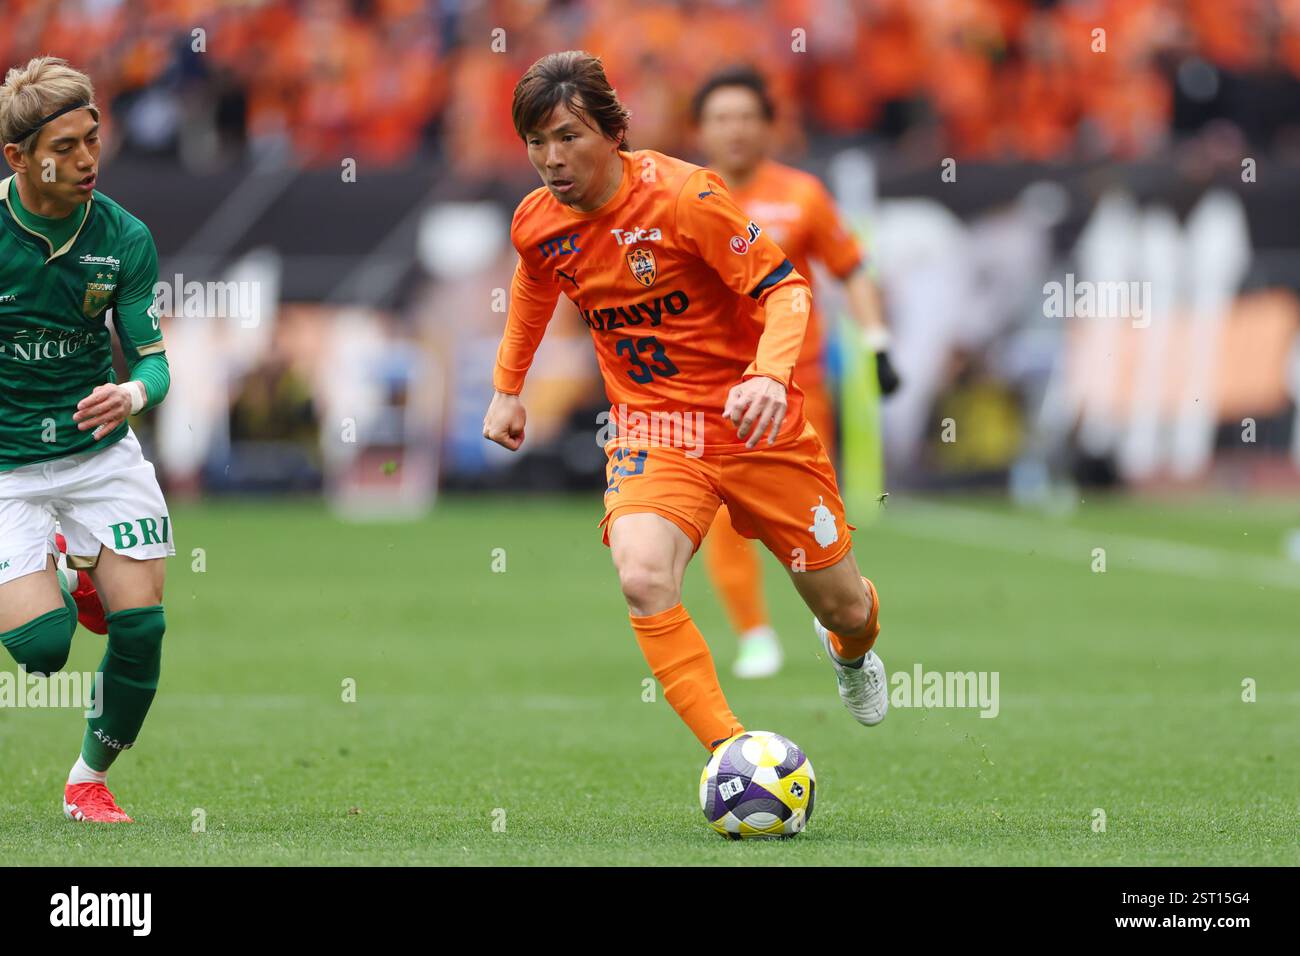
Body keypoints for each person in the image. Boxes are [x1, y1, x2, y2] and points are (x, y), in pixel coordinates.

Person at [483, 51, 890, 755]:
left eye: (568, 137)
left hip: (756, 425)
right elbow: (532, 293)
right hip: (653, 429)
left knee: (845, 606)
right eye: (536, 142)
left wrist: (767, 373)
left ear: (614, 133)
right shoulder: (537, 222)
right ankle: (734, 754)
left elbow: (787, 288)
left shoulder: (685, 198)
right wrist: (507, 388)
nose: (551, 158)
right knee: (642, 575)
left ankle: (850, 652)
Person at [0, 57, 174, 823]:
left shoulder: (123, 238)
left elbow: (154, 363)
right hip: (7, 468)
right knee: (43, 651)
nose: (85, 161)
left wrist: (132, 392)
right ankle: (72, 580)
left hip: (98, 458)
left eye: (93, 141)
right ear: (16, 158)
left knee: (143, 628)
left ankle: (86, 781)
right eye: (64, 146)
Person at [691, 65, 900, 678]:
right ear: (700, 129)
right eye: (720, 118)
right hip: (716, 391)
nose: (734, 131)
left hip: (798, 389)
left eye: (745, 117)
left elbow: (850, 269)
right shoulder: (683, 198)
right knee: (726, 518)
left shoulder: (802, 195)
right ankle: (754, 632)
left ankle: (838, 614)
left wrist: (879, 343)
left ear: (768, 126)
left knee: (812, 522)